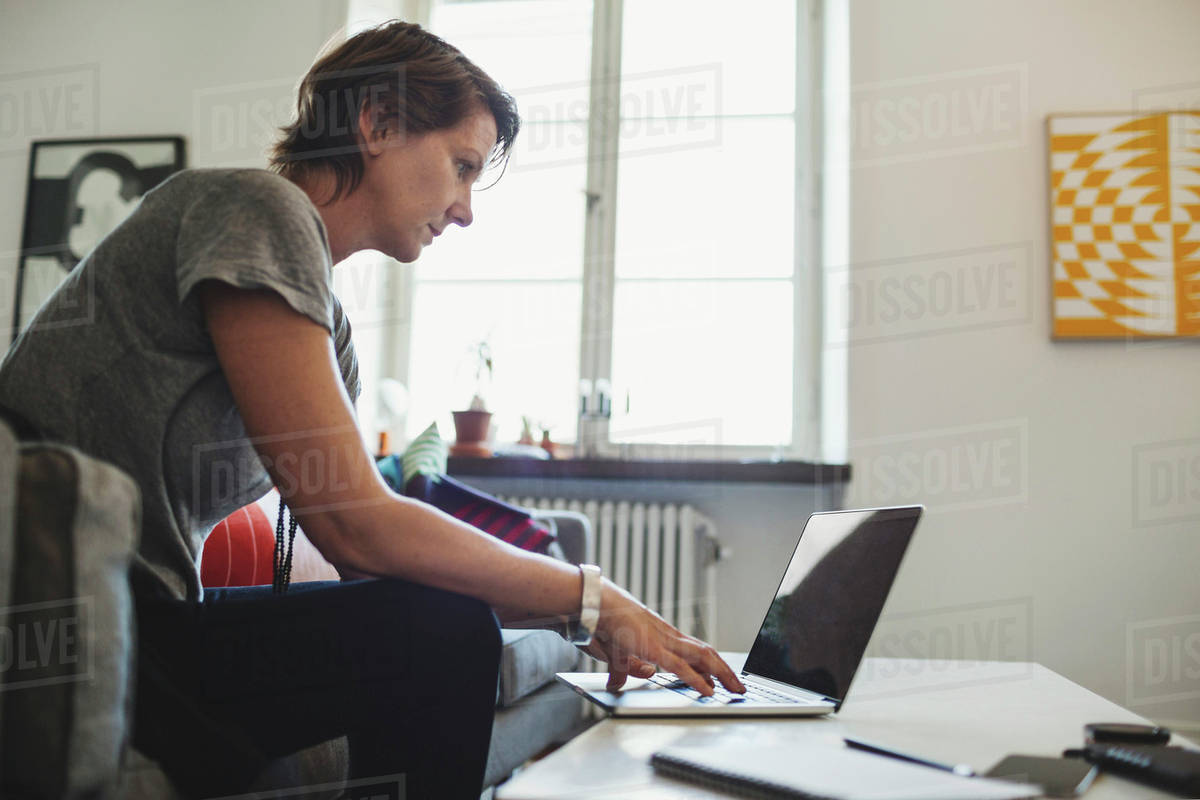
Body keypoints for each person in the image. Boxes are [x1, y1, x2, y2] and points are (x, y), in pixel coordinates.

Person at [0, 20, 744, 799]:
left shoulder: (332, 330)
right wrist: (592, 596)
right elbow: (356, 522)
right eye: (461, 167)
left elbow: (364, 558)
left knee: (431, 617)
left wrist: (569, 613)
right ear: (379, 123)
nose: (465, 210)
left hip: (153, 625)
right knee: (437, 631)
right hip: (75, 626)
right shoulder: (252, 208)